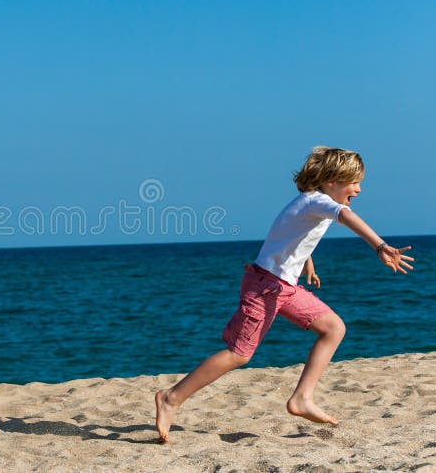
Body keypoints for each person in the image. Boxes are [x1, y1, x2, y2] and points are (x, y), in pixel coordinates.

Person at [155, 146, 414, 443]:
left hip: (283, 286)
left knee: (333, 327)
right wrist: (380, 246)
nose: (359, 188)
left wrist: (307, 263)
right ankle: (171, 398)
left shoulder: (308, 204)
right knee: (239, 354)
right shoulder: (319, 202)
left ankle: (302, 398)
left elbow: (293, 236)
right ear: (331, 181)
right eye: (354, 181)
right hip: (266, 287)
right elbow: (344, 215)